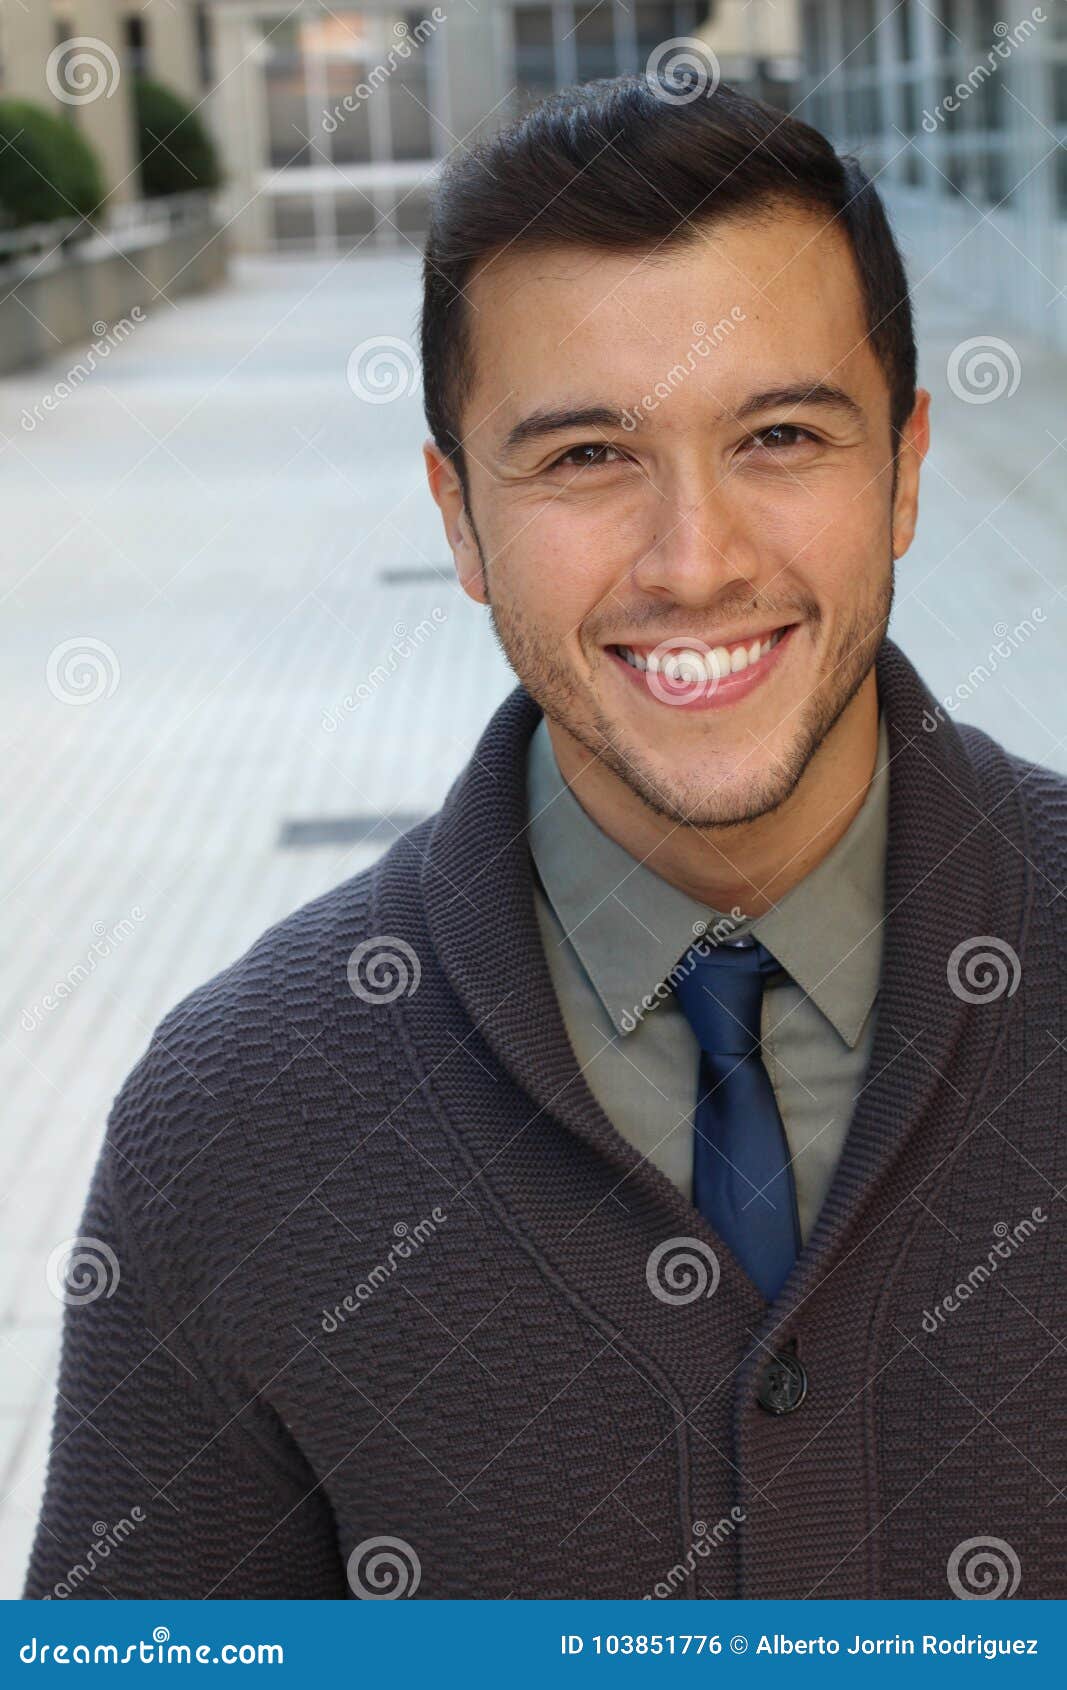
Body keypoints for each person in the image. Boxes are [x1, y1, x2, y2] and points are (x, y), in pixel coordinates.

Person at [25, 75, 1066, 1603]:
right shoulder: (233, 1128)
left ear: (905, 469)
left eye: (780, 433)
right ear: (457, 517)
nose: (695, 559)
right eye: (586, 456)